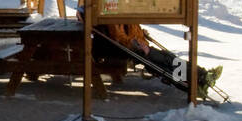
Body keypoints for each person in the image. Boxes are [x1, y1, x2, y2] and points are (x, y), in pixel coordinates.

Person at [91, 21, 223, 97]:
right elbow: (118, 38)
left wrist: (141, 34)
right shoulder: (112, 15)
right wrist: (137, 44)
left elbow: (131, 31)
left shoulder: (125, 12)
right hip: (133, 50)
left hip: (140, 47)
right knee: (166, 65)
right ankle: (200, 78)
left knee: (169, 58)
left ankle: (201, 76)